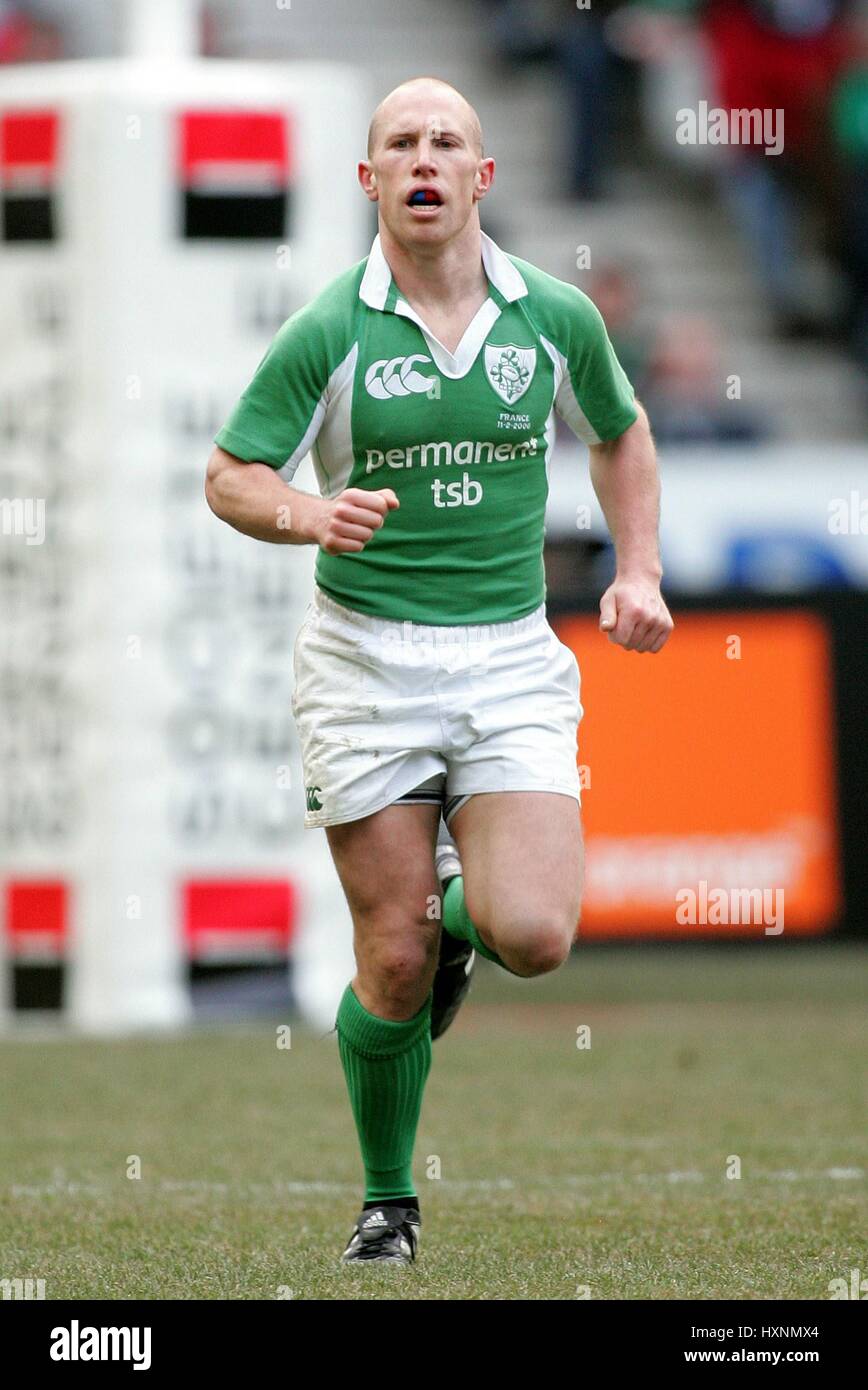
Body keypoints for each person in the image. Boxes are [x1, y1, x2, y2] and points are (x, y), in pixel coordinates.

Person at [205, 75, 673, 1267]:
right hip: (365, 662)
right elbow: (230, 475)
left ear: (480, 176)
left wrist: (637, 570)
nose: (423, 157)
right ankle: (387, 1202)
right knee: (394, 957)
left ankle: (462, 927)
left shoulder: (552, 315)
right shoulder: (329, 330)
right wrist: (309, 515)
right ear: (368, 181)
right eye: (399, 143)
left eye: (445, 141)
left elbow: (618, 431)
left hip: (509, 654)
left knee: (533, 933)